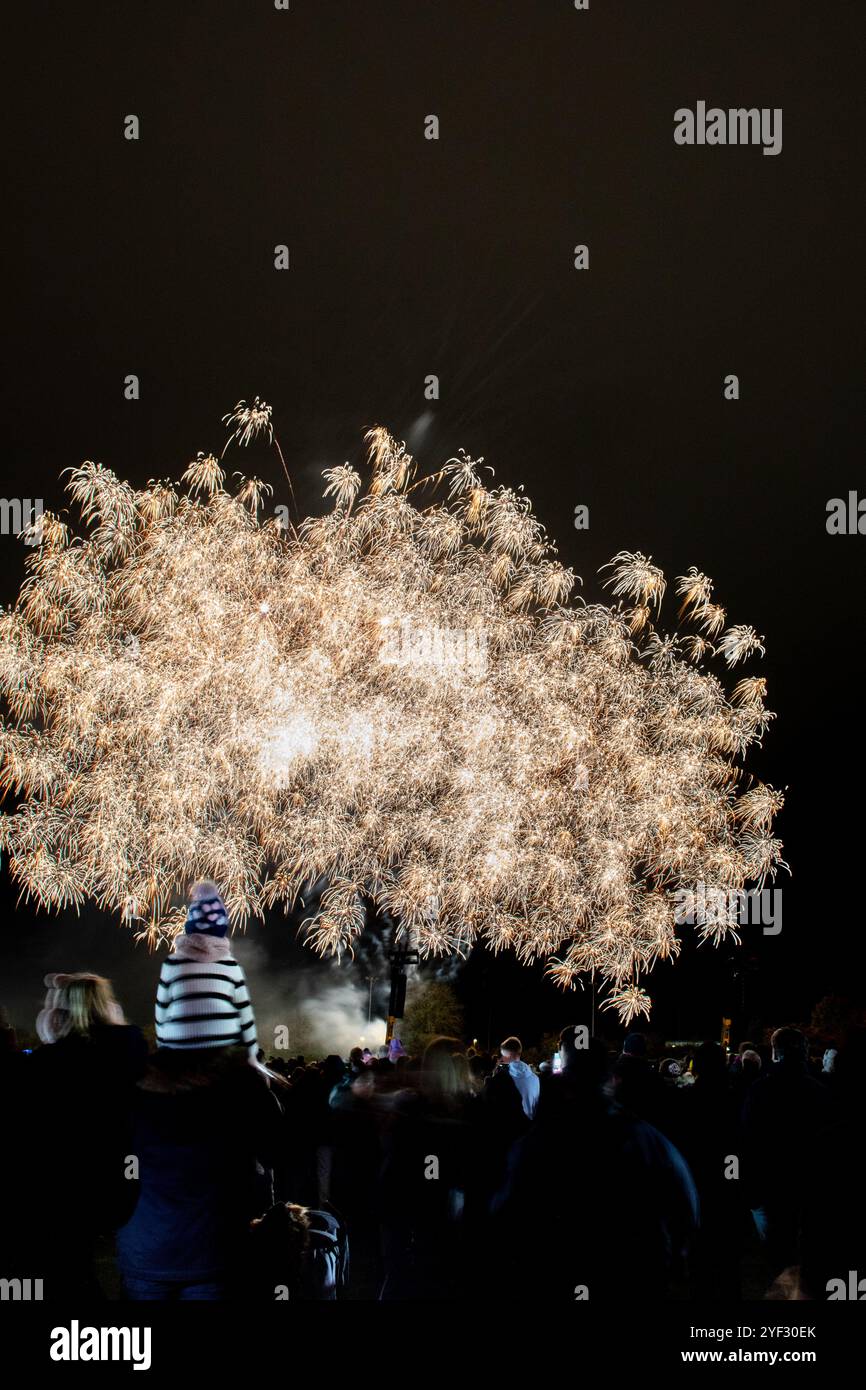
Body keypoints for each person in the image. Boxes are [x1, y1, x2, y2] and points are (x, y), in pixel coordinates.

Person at [116, 1047, 283, 1300]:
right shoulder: (240, 1084)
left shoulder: (128, 1083)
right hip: (215, 1250)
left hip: (146, 1248)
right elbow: (277, 1153)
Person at [26, 972, 148, 1297]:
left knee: (68, 1267)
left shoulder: (48, 1061)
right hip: (126, 1172)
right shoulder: (131, 1047)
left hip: (66, 1179)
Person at [741, 1026, 836, 1277]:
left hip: (772, 1184)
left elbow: (748, 1140)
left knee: (778, 1257)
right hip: (809, 1185)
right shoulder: (821, 1092)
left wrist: (748, 1185)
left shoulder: (760, 1090)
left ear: (775, 1052)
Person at [155, 880, 260, 1065]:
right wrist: (252, 1057)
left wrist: (162, 1046)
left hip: (178, 1047)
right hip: (222, 1045)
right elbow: (246, 1017)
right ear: (221, 931)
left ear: (189, 928)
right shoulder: (230, 966)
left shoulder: (172, 963)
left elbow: (161, 1014)